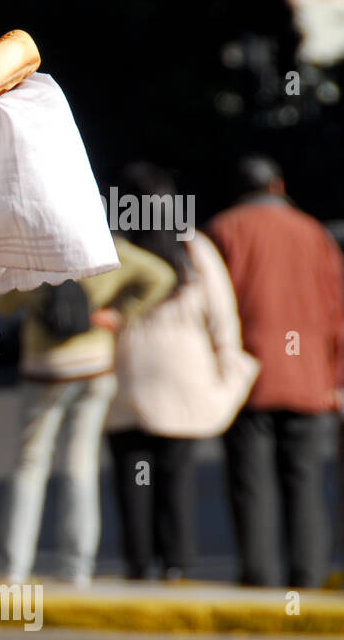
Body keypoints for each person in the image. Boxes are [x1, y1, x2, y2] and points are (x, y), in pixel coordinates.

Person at [103, 163, 260, 580]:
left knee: (132, 474)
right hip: (184, 371)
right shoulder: (194, 248)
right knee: (176, 475)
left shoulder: (112, 247)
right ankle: (176, 563)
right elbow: (222, 316)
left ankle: (138, 564)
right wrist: (230, 366)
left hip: (126, 373)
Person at [0, 235, 177, 586]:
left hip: (43, 367)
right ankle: (77, 568)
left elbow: (2, 304)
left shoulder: (33, 248)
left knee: (30, 463)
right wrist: (119, 314)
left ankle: (13, 568)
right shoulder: (107, 246)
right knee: (81, 464)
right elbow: (161, 276)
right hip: (94, 365)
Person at [205, 155, 344, 588]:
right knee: (305, 483)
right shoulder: (314, 233)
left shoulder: (224, 230)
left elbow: (213, 309)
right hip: (310, 380)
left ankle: (260, 577)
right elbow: (337, 310)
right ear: (279, 186)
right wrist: (335, 378)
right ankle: (308, 576)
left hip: (249, 379)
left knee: (252, 486)